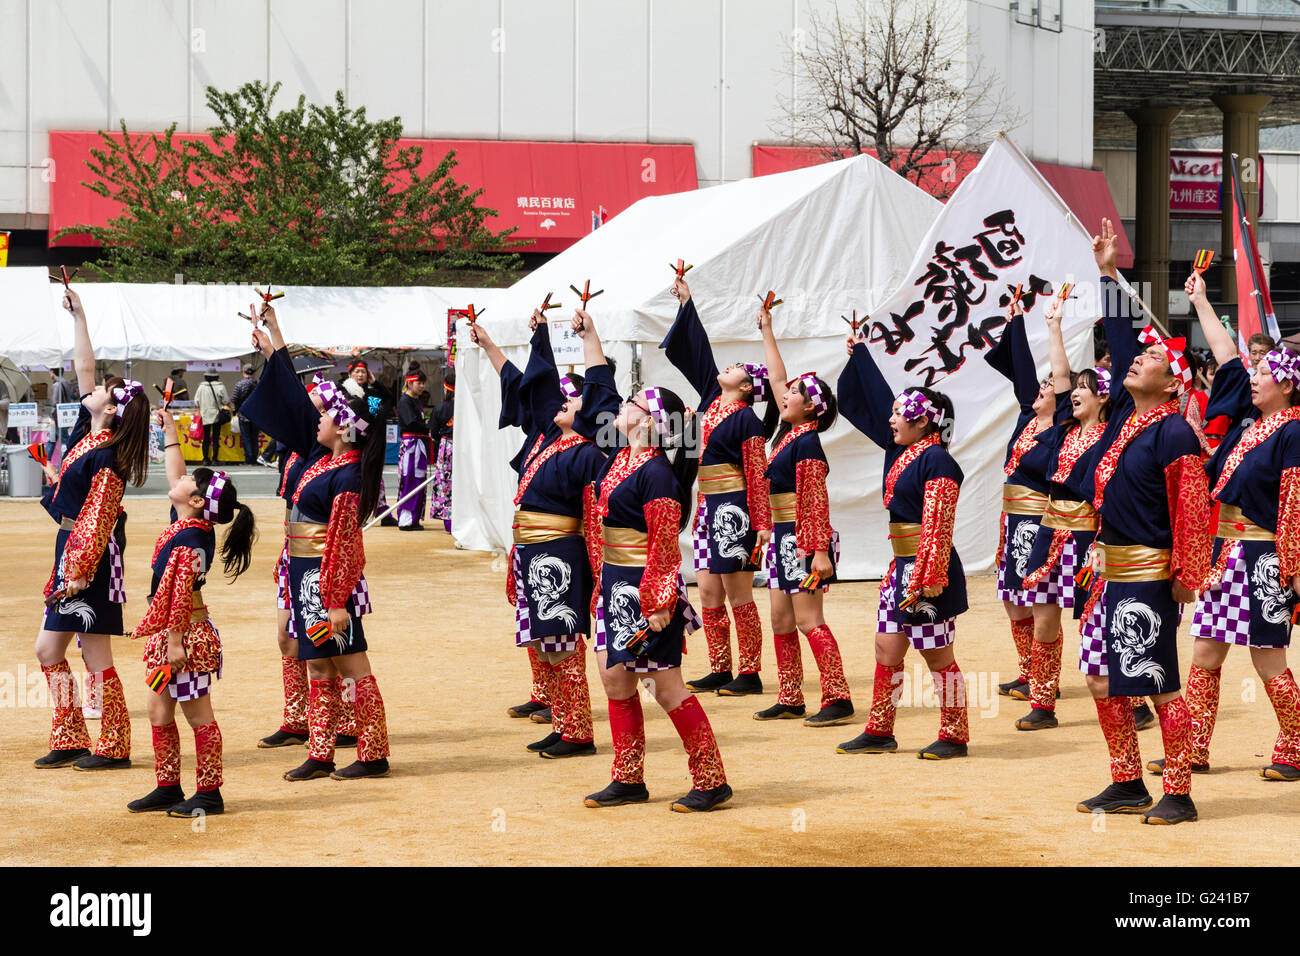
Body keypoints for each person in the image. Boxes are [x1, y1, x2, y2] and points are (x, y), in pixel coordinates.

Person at [1073, 219, 1211, 825]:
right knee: (1105, 681)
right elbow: (1122, 337)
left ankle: (1178, 791)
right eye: (1139, 355)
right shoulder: (1132, 417)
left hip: (1151, 572)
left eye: (1152, 357)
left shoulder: (1175, 429)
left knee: (1159, 683)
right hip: (1112, 572)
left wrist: (1187, 574)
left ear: (1172, 380)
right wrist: (1108, 275)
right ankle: (1127, 780)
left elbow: (1192, 509)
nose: (1134, 361)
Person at [1146, 270, 1300, 782]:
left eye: (1264, 374)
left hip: (1265, 560)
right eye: (1253, 373)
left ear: (1289, 384)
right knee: (1205, 652)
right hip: (1225, 555)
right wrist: (1202, 303)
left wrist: (1294, 569)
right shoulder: (1247, 427)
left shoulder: (1294, 433)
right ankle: (1190, 748)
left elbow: (1294, 505)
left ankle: (1295, 746)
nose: (1252, 378)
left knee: (1267, 660)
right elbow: (1229, 358)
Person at [244, 306, 391, 781]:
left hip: (327, 584)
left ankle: (372, 753)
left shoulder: (346, 474)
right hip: (308, 578)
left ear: (344, 429)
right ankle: (321, 751)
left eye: (327, 415)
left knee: (352, 666)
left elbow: (345, 542)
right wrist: (272, 342)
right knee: (322, 669)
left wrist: (336, 600)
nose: (319, 420)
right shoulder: (324, 462)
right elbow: (296, 403)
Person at [474, 307, 618, 758]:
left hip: (561, 552)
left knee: (562, 638)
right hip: (534, 548)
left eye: (571, 401)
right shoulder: (550, 440)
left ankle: (578, 732)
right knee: (545, 638)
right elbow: (524, 385)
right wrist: (496, 344)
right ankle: (562, 720)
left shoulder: (590, 451)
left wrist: (599, 576)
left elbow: (596, 519)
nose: (560, 404)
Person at [582, 382, 731, 812]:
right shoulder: (621, 458)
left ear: (649, 421)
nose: (622, 407)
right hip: (614, 584)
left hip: (646, 593)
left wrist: (662, 600)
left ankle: (711, 779)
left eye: (631, 404)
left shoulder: (658, 473)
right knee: (615, 680)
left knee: (664, 686)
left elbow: (665, 545)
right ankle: (628, 778)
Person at [33, 288, 150, 771]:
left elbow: (99, 516)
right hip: (73, 548)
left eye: (103, 387)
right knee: (50, 649)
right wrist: (79, 315)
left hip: (89, 557)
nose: (94, 385)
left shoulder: (107, 454)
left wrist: (78, 570)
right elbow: (84, 367)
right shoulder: (94, 435)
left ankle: (114, 744)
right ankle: (73, 734)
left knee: (93, 650)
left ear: (109, 407)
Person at [836, 334, 970, 759]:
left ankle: (955, 734)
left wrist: (927, 578)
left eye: (898, 415)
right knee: (887, 647)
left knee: (936, 654)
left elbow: (938, 525)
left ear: (923, 422)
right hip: (902, 565)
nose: (890, 420)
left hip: (929, 570)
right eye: (893, 413)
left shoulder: (939, 461)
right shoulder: (904, 453)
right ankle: (880, 730)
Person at [126, 410, 257, 817]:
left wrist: (173, 641)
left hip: (184, 635)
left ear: (197, 500)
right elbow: (178, 477)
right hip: (174, 632)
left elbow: (180, 593)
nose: (178, 480)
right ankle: (168, 785)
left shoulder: (189, 536)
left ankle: (210, 792)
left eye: (187, 481)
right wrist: (169, 433)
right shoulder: (190, 524)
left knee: (198, 713)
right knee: (158, 708)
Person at [661, 277, 776, 697]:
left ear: (747, 389)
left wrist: (761, 524)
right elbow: (701, 352)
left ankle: (750, 672)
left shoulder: (746, 419)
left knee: (737, 591)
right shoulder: (712, 403)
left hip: (735, 510)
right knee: (708, 589)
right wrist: (688, 301)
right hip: (710, 505)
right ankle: (720, 667)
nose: (728, 367)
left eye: (738, 370)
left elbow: (757, 473)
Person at [1014, 294, 1113, 731]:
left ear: (1104, 400)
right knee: (1044, 619)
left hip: (1090, 538)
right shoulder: (1063, 430)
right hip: (1050, 531)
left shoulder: (1113, 437)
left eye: (1083, 390)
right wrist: (1053, 326)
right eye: (1073, 389)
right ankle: (1042, 703)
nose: (1073, 393)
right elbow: (1058, 376)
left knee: (1101, 622)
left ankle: (1136, 702)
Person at [752, 352, 855, 728]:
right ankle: (790, 696)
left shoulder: (807, 443)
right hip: (783, 537)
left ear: (810, 406)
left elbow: (814, 498)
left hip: (802, 539)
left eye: (793, 392)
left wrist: (819, 551)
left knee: (810, 620)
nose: (784, 395)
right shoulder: (789, 439)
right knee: (781, 620)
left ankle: (838, 696)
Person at [984, 296, 1061, 703]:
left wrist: (1052, 327)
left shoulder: (1062, 429)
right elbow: (1023, 376)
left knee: (1041, 602)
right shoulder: (1026, 418)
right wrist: (1015, 322)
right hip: (1012, 522)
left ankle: (1046, 680)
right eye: (1042, 384)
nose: (1041, 389)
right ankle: (1027, 672)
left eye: (1049, 387)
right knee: (1014, 601)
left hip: (1040, 523)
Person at [395, 366, 431, 530]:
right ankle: (406, 518)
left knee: (418, 481)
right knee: (410, 479)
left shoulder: (415, 401)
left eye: (423, 383)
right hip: (411, 446)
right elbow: (410, 423)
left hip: (418, 444)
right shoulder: (404, 401)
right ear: (409, 383)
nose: (421, 386)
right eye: (418, 383)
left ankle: (414, 517)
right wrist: (428, 427)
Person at [428, 368, 455, 531]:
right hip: (463, 447)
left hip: (446, 447)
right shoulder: (467, 407)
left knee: (445, 483)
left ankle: (448, 521)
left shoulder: (440, 408)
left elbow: (434, 432)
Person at [195, 371, 229, 466]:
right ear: (217, 377)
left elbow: (196, 401)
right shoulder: (220, 386)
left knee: (205, 438)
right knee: (215, 438)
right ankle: (215, 459)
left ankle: (205, 459)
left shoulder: (201, 387)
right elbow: (226, 400)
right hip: (216, 415)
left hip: (205, 415)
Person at [230, 365, 260, 465]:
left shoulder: (239, 384)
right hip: (256, 414)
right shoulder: (258, 384)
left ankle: (249, 459)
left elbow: (234, 399)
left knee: (246, 437)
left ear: (243, 372)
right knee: (254, 437)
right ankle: (255, 458)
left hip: (243, 414)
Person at [47, 367, 76, 463]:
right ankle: (46, 462)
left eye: (50, 372)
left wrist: (52, 418)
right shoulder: (65, 382)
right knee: (52, 440)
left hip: (57, 418)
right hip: (63, 417)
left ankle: (69, 461)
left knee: (64, 442)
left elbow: (55, 403)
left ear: (52, 372)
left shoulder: (57, 385)